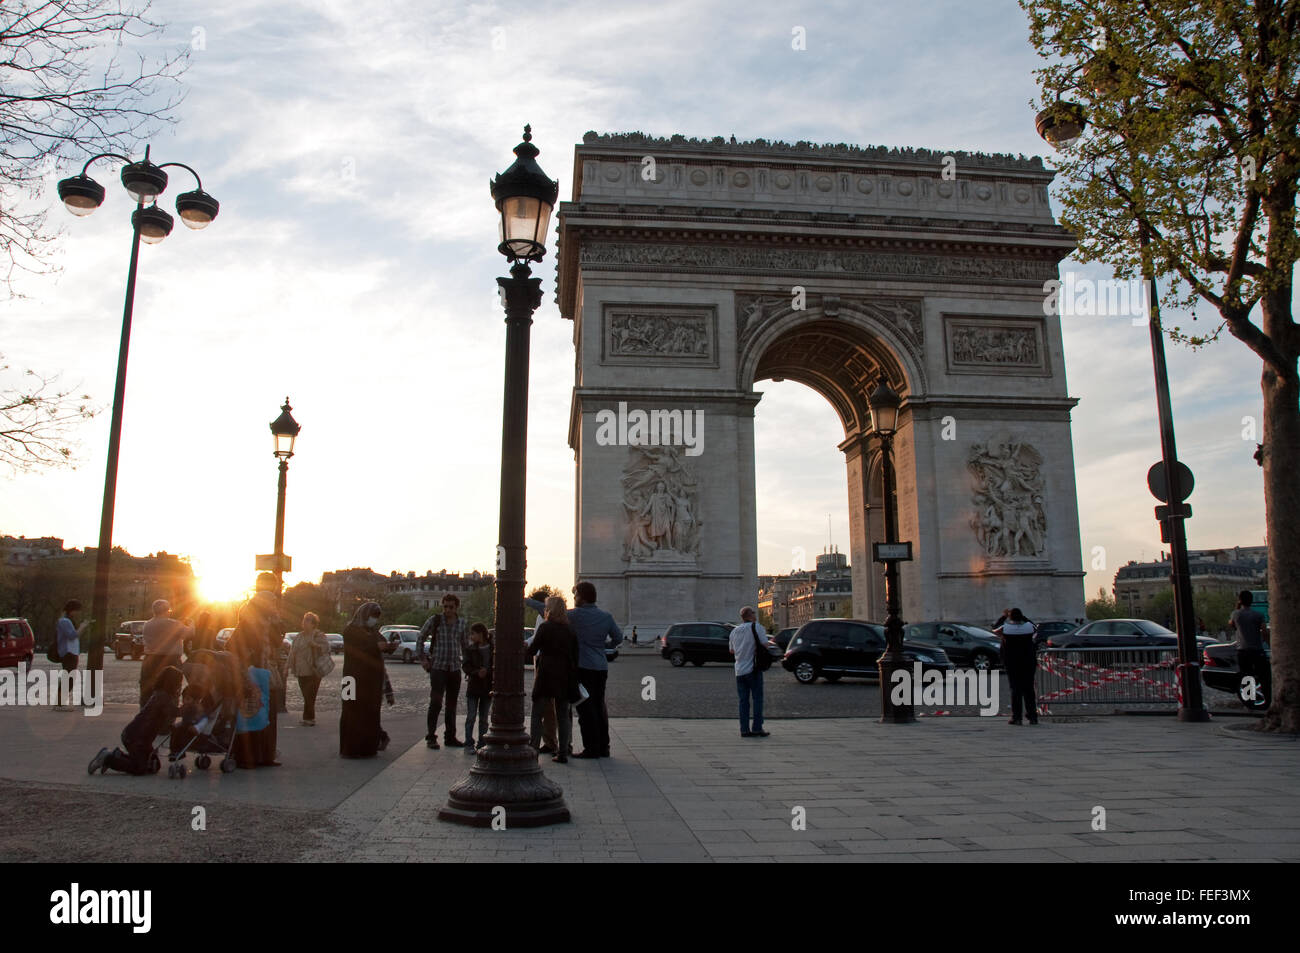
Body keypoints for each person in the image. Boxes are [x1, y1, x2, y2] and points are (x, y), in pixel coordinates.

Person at [228, 579, 282, 767]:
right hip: (252, 676)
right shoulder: (247, 623)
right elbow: (232, 647)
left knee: (268, 715)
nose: (274, 606)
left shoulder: (268, 623)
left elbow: (277, 642)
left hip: (266, 674)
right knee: (251, 713)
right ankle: (247, 757)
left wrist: (275, 622)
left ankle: (265, 755)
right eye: (272, 603)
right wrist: (247, 661)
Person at [89, 666, 182, 775]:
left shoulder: (160, 694)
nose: (179, 686)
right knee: (139, 768)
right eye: (178, 683)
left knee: (153, 765)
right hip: (135, 738)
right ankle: (108, 758)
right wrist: (192, 708)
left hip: (141, 739)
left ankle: (118, 757)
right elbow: (174, 712)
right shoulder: (163, 697)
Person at [567, 581, 622, 758]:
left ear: (581, 597)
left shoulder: (574, 615)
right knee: (599, 706)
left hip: (583, 667)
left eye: (575, 595)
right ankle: (604, 747)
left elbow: (552, 614)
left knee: (585, 708)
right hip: (601, 667)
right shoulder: (606, 616)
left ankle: (591, 748)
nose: (574, 598)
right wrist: (605, 646)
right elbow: (618, 637)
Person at [526, 596, 578, 763]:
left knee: (537, 713)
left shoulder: (545, 627)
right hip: (564, 676)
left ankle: (533, 750)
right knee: (562, 715)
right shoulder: (570, 630)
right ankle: (562, 752)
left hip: (546, 674)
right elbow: (576, 655)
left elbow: (533, 650)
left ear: (551, 609)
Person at [418, 593, 469, 749]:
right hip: (438, 667)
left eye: (451, 607)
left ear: (456, 607)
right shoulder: (435, 621)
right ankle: (431, 736)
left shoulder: (462, 623)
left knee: (451, 705)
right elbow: (421, 637)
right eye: (445, 606)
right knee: (435, 702)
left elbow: (465, 646)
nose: (447, 610)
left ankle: (450, 737)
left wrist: (467, 666)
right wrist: (423, 659)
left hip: (454, 668)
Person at [339, 602, 390, 757]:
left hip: (371, 680)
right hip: (351, 678)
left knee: (370, 712)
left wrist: (387, 646)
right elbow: (358, 650)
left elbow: (380, 644)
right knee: (350, 711)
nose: (374, 619)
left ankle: (368, 747)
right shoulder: (350, 631)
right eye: (373, 616)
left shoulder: (372, 631)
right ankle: (351, 748)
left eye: (376, 617)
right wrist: (377, 647)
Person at [728, 605, 770, 738]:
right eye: (753, 612)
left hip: (739, 670)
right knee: (757, 699)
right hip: (753, 668)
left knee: (743, 701)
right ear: (750, 615)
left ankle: (744, 730)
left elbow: (732, 650)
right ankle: (757, 728)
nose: (755, 614)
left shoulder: (734, 631)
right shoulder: (757, 627)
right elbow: (765, 644)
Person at [141, 599, 192, 706]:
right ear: (167, 610)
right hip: (170, 660)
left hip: (150, 660)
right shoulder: (173, 624)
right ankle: (168, 717)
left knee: (147, 690)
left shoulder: (147, 624)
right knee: (172, 690)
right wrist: (191, 623)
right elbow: (190, 633)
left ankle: (145, 712)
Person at [994, 608, 1038, 725]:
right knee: (1029, 690)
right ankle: (1032, 716)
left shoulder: (1006, 629)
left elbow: (994, 628)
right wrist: (1024, 618)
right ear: (1021, 616)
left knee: (1015, 690)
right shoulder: (1029, 627)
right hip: (1028, 661)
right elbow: (1036, 627)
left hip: (1012, 662)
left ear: (1010, 617)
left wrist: (1004, 617)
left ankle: (1017, 717)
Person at [287, 611, 331, 726]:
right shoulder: (299, 636)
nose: (304, 622)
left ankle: (309, 718)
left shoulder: (318, 635)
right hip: (301, 671)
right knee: (306, 695)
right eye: (304, 619)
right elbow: (292, 653)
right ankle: (308, 718)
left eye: (307, 620)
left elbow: (326, 648)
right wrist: (287, 667)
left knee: (310, 694)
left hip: (314, 670)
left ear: (313, 624)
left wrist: (315, 645)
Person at [1228, 590, 1269, 698]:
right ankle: (1266, 697)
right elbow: (1265, 632)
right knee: (1263, 675)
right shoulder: (1258, 615)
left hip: (1243, 650)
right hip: (1257, 650)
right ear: (1251, 601)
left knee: (1246, 676)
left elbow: (1231, 625)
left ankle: (1249, 700)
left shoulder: (1236, 614)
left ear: (1240, 600)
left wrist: (1238, 606)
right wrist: (1267, 643)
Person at [462, 622, 493, 751]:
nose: (471, 636)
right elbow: (466, 666)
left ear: (480, 634)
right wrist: (477, 672)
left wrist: (487, 672)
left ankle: (482, 742)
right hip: (475, 685)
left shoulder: (492, 648)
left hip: (486, 686)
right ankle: (469, 742)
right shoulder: (470, 649)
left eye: (473, 633)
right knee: (471, 716)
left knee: (484, 718)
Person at [54, 599, 84, 710]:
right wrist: (82, 626)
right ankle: (59, 703)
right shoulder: (65, 621)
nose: (78, 613)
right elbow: (72, 635)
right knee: (69, 677)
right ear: (72, 610)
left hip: (70, 652)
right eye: (77, 611)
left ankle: (60, 702)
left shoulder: (66, 621)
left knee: (69, 676)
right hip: (69, 652)